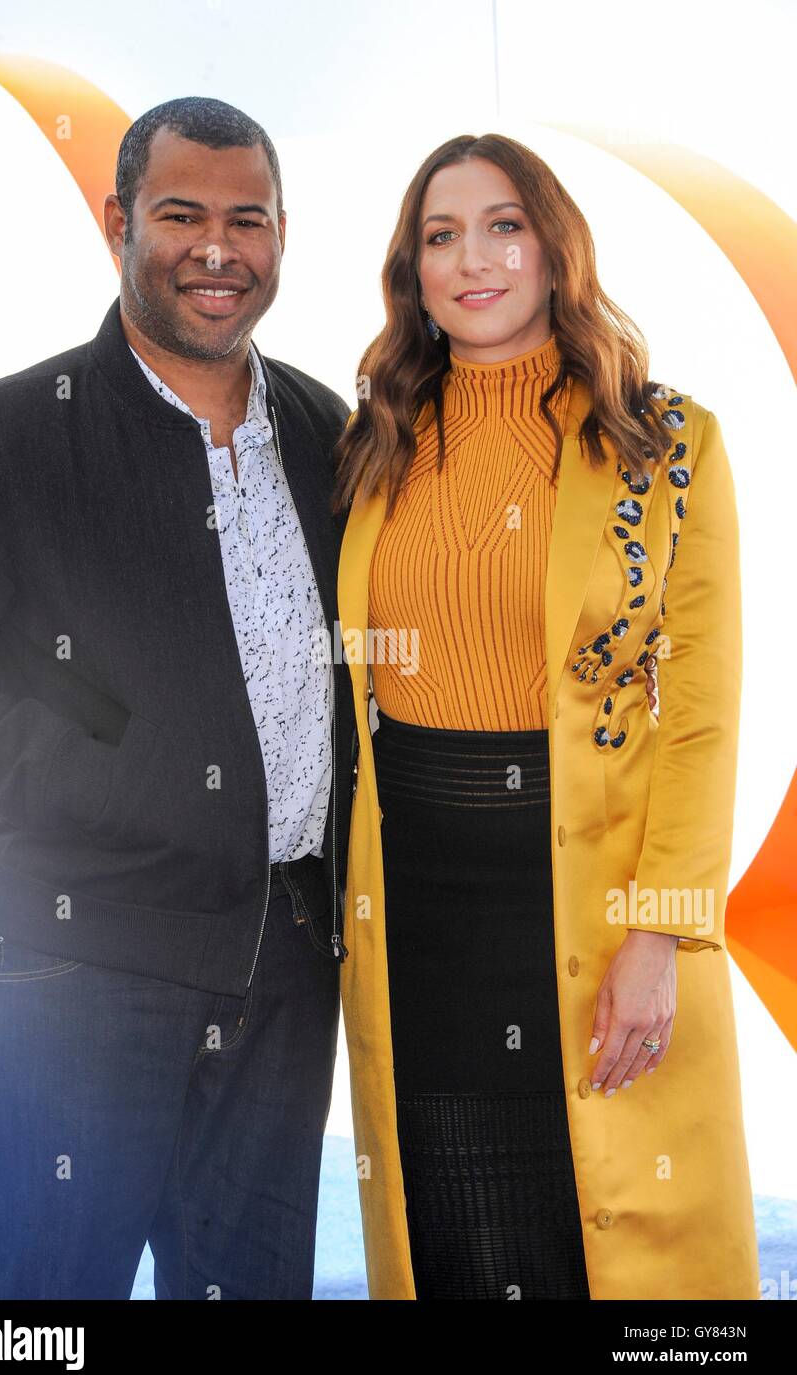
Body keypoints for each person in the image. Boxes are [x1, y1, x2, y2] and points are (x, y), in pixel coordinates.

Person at [0, 97, 355, 1300]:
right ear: (121, 222)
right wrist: (119, 780)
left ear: (281, 237)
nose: (216, 250)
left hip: (283, 965)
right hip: (82, 964)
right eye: (181, 215)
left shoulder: (334, 435)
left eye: (247, 220)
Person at [332, 132, 759, 1300]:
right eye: (441, 233)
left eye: (504, 224)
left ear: (555, 247)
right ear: (411, 268)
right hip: (418, 917)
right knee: (457, 1230)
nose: (474, 257)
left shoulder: (669, 443)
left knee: (615, 1246)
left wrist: (660, 936)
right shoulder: (370, 443)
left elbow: (705, 713)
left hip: (598, 912)